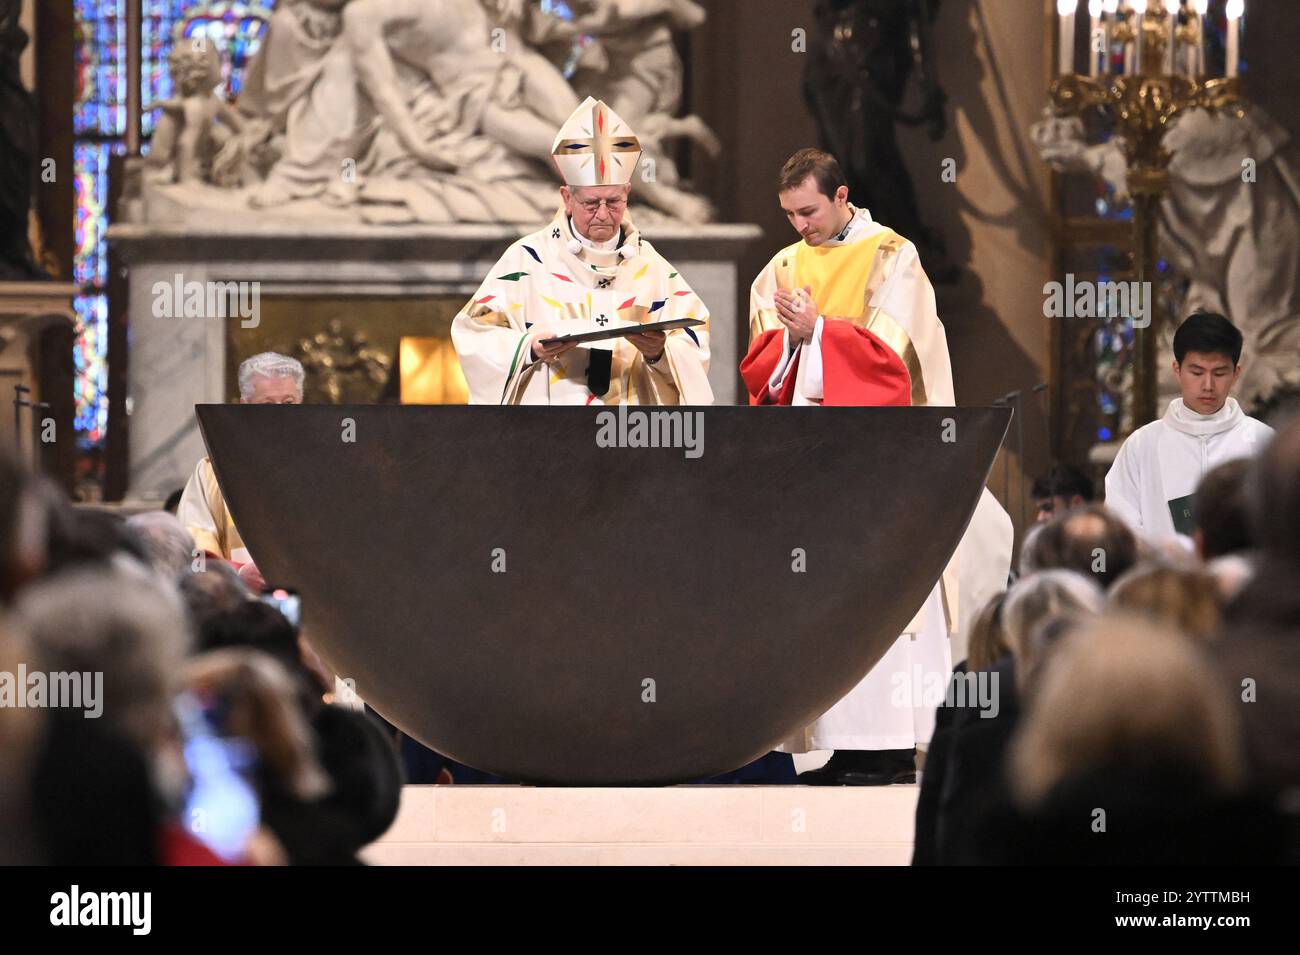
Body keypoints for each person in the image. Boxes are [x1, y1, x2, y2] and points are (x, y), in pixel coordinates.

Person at [741, 148, 1012, 785]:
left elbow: (897, 362)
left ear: (840, 198)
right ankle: (832, 745)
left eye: (808, 210)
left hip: (883, 470)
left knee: (887, 604)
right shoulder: (781, 267)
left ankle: (886, 748)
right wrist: (791, 341)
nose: (799, 225)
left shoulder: (894, 256)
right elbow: (760, 364)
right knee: (821, 602)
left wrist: (820, 333)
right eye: (789, 214)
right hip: (814, 470)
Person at [452, 96, 712, 405]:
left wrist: (659, 351)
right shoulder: (527, 259)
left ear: (627, 194)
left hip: (627, 435)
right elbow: (473, 334)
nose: (603, 213)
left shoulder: (652, 267)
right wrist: (529, 347)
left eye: (613, 202)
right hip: (549, 433)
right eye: (591, 203)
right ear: (566, 197)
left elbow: (695, 342)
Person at [1105, 312, 1274, 544]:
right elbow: (1120, 527)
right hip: (1164, 576)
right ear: (1177, 370)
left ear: (1236, 373)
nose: (1208, 385)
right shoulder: (1142, 444)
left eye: (1219, 373)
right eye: (1196, 372)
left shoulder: (1263, 441)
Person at [176, 353, 304, 564]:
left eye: (289, 402)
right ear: (245, 406)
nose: (281, 414)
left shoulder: (329, 467)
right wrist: (241, 574)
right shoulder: (213, 473)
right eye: (268, 404)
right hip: (240, 593)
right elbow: (195, 552)